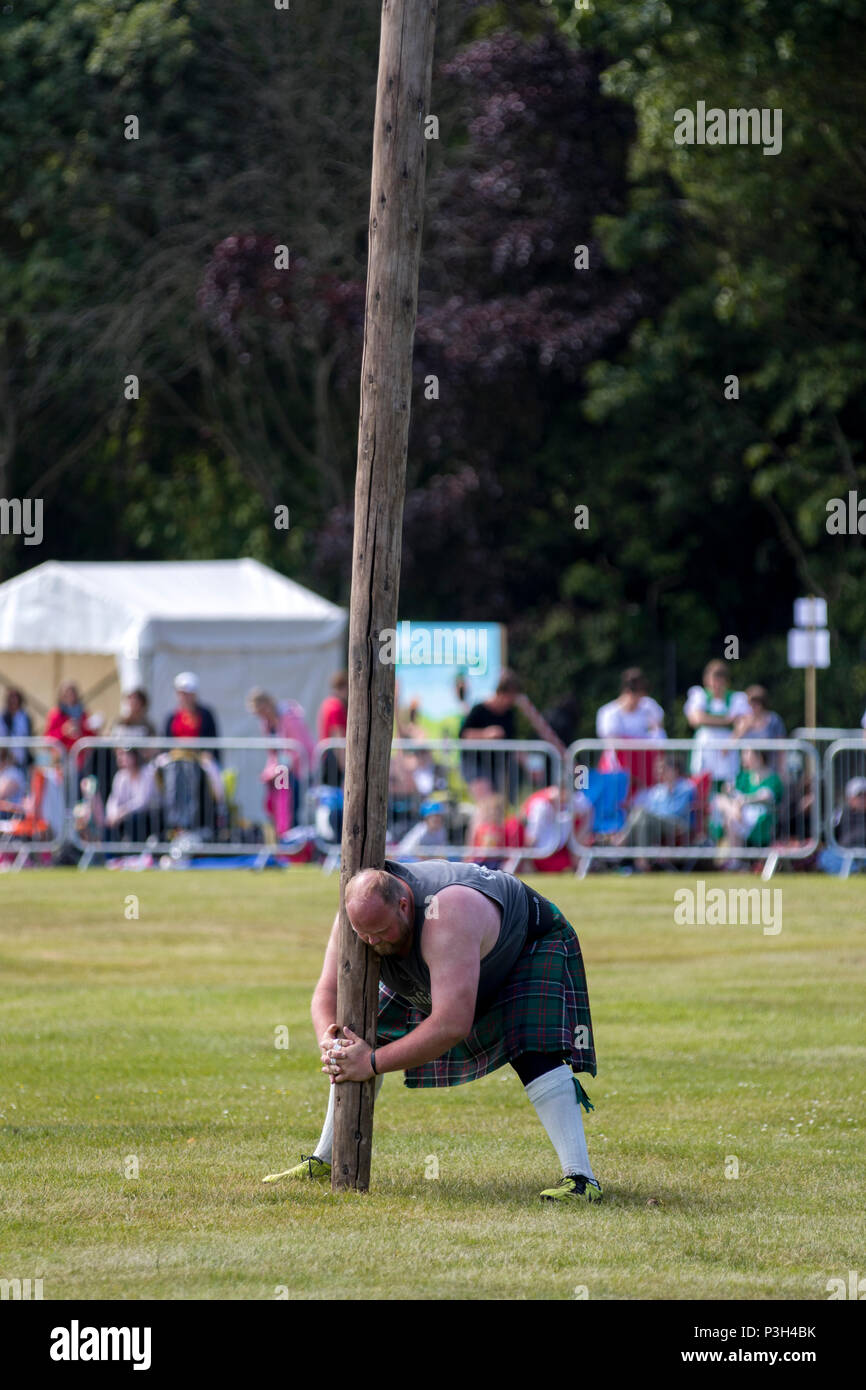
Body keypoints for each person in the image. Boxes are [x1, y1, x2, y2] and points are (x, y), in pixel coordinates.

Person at [262, 860, 600, 1205]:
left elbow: (452, 1024)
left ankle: (582, 1179)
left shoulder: (447, 913)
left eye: (380, 931)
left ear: (403, 905)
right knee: (355, 1036)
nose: (371, 941)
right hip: (450, 959)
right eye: (363, 933)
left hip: (526, 943)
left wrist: (371, 1062)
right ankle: (326, 1159)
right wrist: (332, 1043)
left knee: (533, 1050)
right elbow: (327, 991)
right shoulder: (358, 916)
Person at [247, 687, 316, 835]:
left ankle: (294, 840)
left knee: (293, 807)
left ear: (267, 704)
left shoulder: (289, 719)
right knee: (277, 806)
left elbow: (300, 747)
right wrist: (269, 772)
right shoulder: (266, 724)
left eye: (261, 711)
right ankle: (282, 836)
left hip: (299, 772)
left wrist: (283, 765)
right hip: (283, 773)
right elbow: (272, 753)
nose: (260, 715)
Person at [612, 753, 695, 867]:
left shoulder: (686, 788)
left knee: (642, 814)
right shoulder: (657, 791)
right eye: (658, 769)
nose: (660, 772)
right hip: (657, 824)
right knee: (642, 819)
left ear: (675, 770)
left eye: (663, 768)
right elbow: (651, 812)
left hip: (678, 824)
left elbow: (677, 812)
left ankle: (622, 843)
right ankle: (642, 861)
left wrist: (654, 815)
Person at [596, 668, 666, 794]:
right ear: (627, 692)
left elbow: (659, 733)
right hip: (618, 769)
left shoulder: (649, 706)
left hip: (645, 768)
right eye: (637, 696)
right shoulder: (608, 713)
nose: (640, 700)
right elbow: (613, 745)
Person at [710, 745, 783, 862]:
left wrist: (743, 801)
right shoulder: (744, 776)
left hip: (760, 818)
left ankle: (735, 861)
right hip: (739, 814)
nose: (743, 757)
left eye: (747, 753)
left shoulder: (773, 778)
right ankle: (734, 860)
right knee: (721, 803)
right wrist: (733, 802)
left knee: (731, 819)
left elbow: (765, 796)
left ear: (759, 757)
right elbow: (727, 791)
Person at [684, 659, 750, 786]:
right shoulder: (700, 695)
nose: (716, 685)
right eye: (713, 680)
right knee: (702, 782)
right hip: (705, 747)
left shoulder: (736, 698)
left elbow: (745, 723)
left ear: (726, 681)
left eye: (720, 680)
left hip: (727, 749)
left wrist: (730, 743)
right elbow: (696, 719)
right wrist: (726, 721)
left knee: (728, 783)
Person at [104, 747, 159, 841]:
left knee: (135, 820)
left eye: (123, 754)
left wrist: (122, 812)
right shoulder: (120, 776)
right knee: (109, 825)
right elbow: (114, 798)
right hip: (126, 815)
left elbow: (142, 802)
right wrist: (112, 814)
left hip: (148, 817)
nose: (120, 758)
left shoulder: (147, 773)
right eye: (118, 755)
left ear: (134, 756)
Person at [163, 672, 220, 761]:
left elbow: (212, 740)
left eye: (188, 693)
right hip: (175, 757)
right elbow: (167, 742)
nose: (185, 697)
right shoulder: (172, 716)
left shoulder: (205, 714)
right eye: (182, 693)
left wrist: (207, 754)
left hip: (199, 758)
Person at [317, 671, 348, 786]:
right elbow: (337, 734)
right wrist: (343, 764)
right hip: (334, 756)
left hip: (327, 754)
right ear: (344, 688)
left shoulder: (326, 703)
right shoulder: (336, 707)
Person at [0, 688, 33, 767]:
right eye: (11, 698)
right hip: (3, 759)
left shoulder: (25, 717)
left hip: (19, 760)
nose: (13, 701)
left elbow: (25, 737)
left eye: (15, 698)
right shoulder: (3, 717)